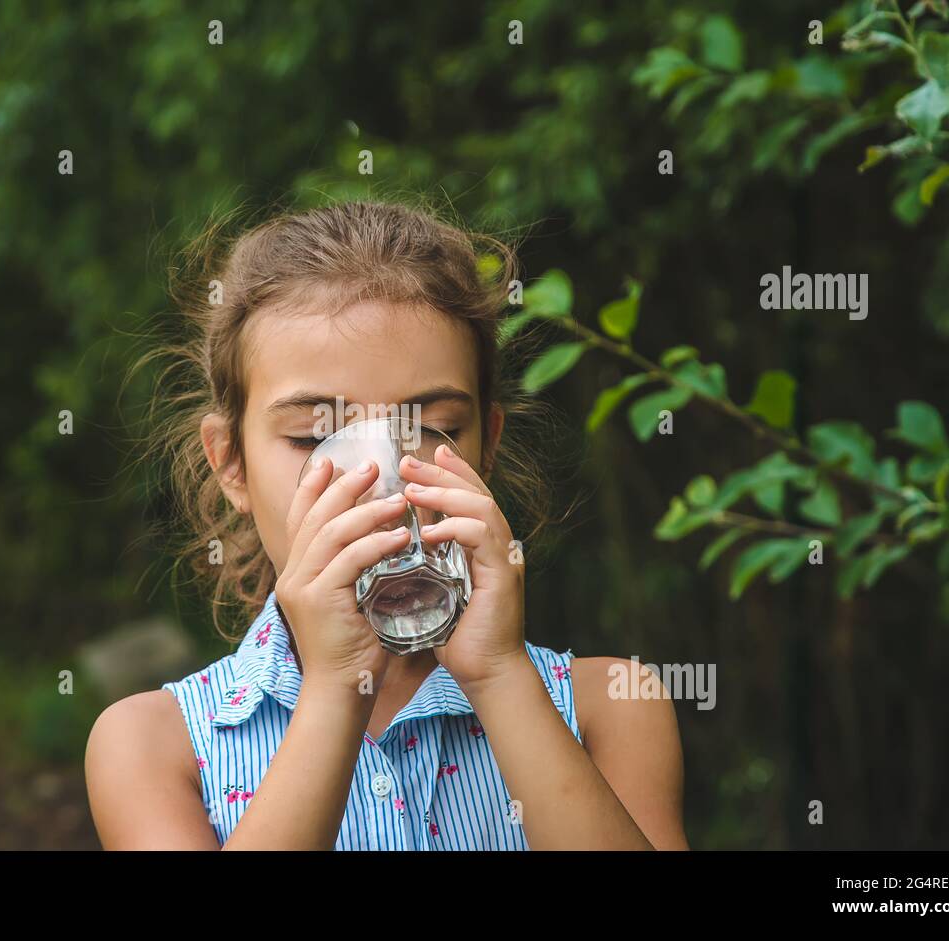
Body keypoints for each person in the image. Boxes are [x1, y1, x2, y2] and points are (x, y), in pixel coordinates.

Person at [85, 199, 689, 850]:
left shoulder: (609, 706)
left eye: (431, 428)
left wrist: (499, 674)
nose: (380, 480)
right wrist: (337, 687)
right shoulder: (154, 743)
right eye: (316, 434)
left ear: (484, 443)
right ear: (231, 463)